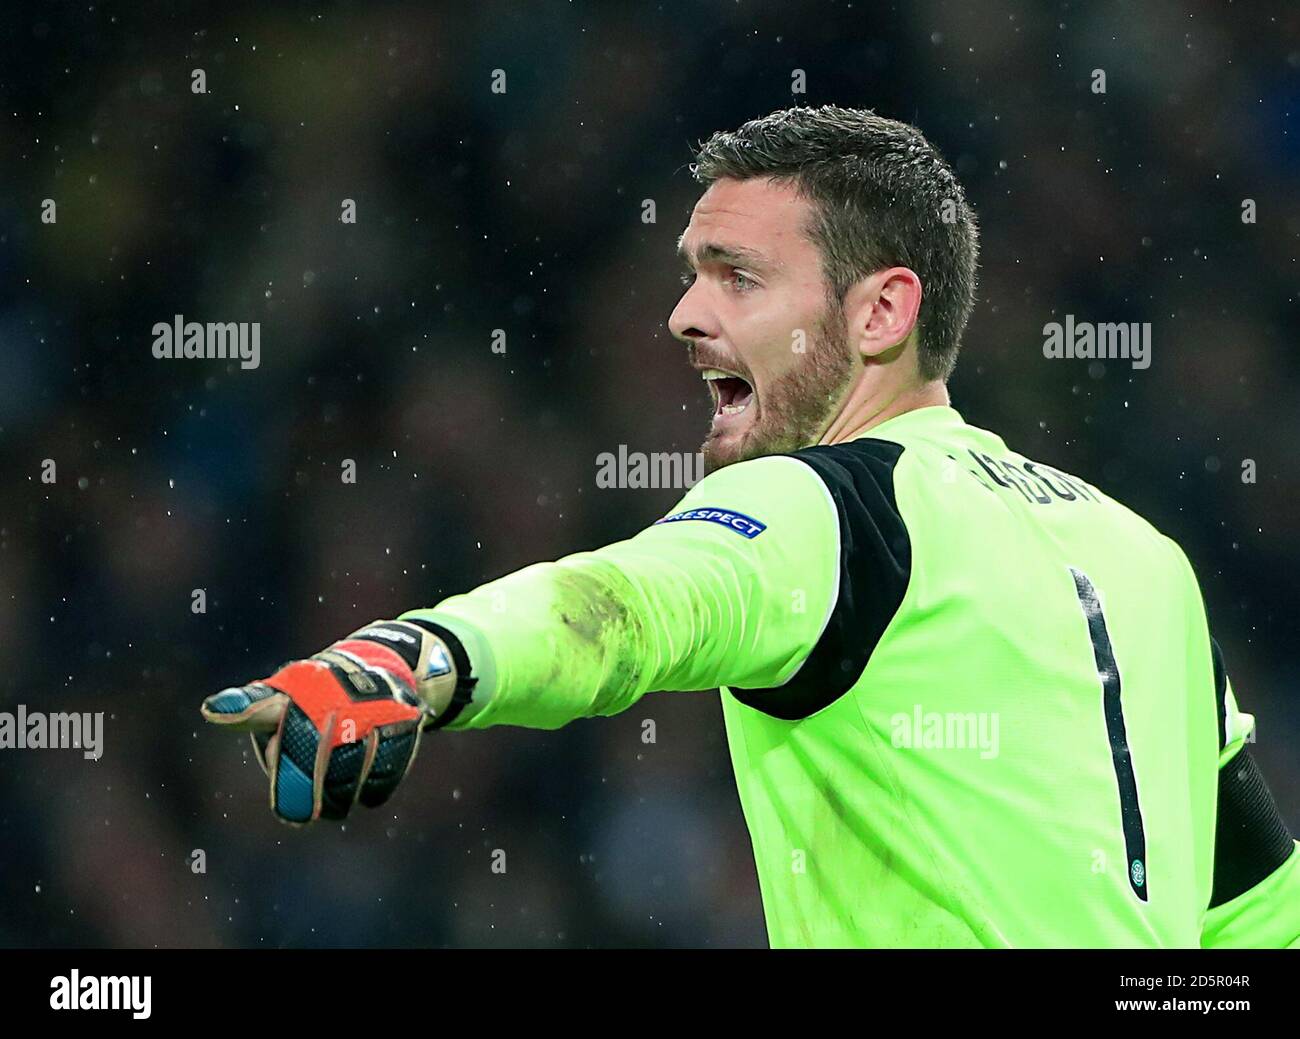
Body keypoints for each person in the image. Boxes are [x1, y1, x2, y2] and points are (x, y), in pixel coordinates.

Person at [201, 104, 1298, 948]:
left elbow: (624, 609)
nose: (684, 314)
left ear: (881, 313)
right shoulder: (1144, 557)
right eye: (691, 275)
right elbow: (1255, 915)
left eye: (737, 277)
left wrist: (417, 656)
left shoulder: (831, 502)